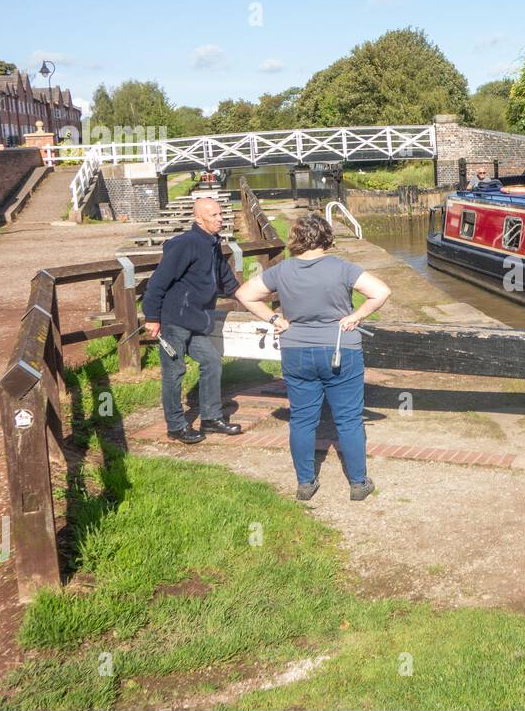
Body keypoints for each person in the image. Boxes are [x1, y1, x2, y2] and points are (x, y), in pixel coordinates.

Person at [236, 212, 391, 502]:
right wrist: (355, 316)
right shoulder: (342, 268)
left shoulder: (281, 271)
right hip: (340, 348)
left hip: (296, 351)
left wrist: (274, 319)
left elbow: (245, 294)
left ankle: (306, 483)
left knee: (303, 419)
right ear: (327, 237)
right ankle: (358, 483)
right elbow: (381, 291)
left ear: (295, 238)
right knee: (349, 420)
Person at [141, 196, 243, 444]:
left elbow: (228, 283)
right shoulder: (184, 244)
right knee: (175, 372)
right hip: (173, 320)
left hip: (197, 320)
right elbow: (158, 282)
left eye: (221, 214)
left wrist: (259, 297)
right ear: (198, 219)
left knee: (211, 361)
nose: (220, 219)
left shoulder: (213, 244)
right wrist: (152, 317)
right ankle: (176, 426)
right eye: (214, 216)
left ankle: (211, 418)